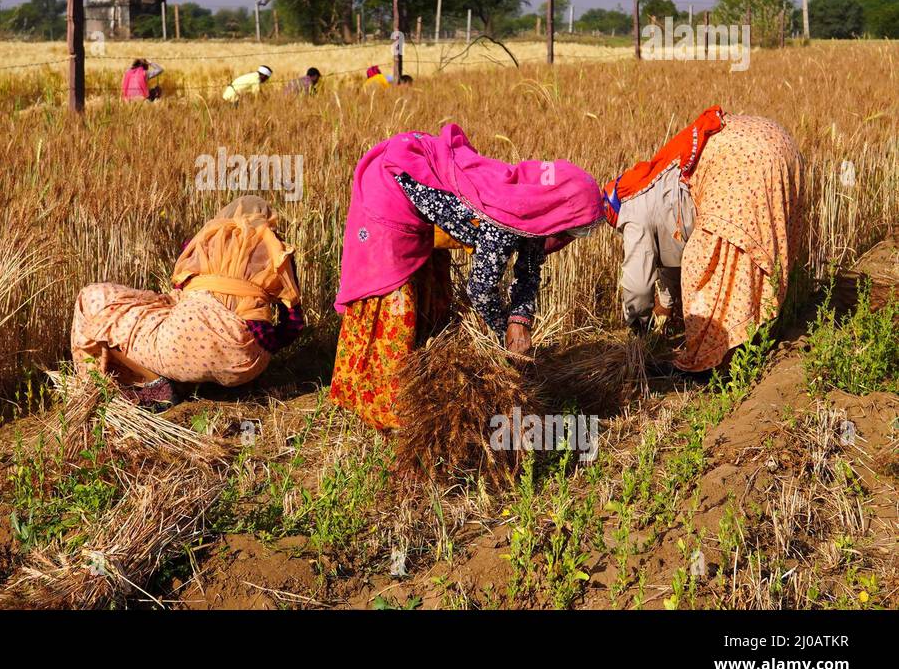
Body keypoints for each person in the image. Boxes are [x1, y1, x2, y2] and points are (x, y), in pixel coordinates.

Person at [330, 125, 603, 430]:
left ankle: (422, 380)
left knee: (433, 287)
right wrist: (504, 335)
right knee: (396, 298)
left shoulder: (533, 208)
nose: (564, 238)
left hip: (419, 183)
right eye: (569, 231)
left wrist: (521, 320)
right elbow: (480, 290)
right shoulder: (501, 221)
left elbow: (528, 270)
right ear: (561, 215)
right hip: (389, 183)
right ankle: (384, 408)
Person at [604, 107, 803, 372]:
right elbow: (669, 252)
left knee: (703, 271)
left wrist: (637, 326)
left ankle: (714, 362)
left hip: (741, 164)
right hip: (778, 143)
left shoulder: (631, 212)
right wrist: (665, 307)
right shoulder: (652, 182)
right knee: (751, 252)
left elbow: (638, 285)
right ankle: (754, 342)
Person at [72, 196, 303, 409]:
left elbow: (180, 287)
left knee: (106, 320)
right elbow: (293, 325)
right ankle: (214, 382)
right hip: (246, 364)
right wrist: (266, 346)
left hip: (181, 348)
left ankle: (158, 385)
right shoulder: (277, 252)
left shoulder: (207, 240)